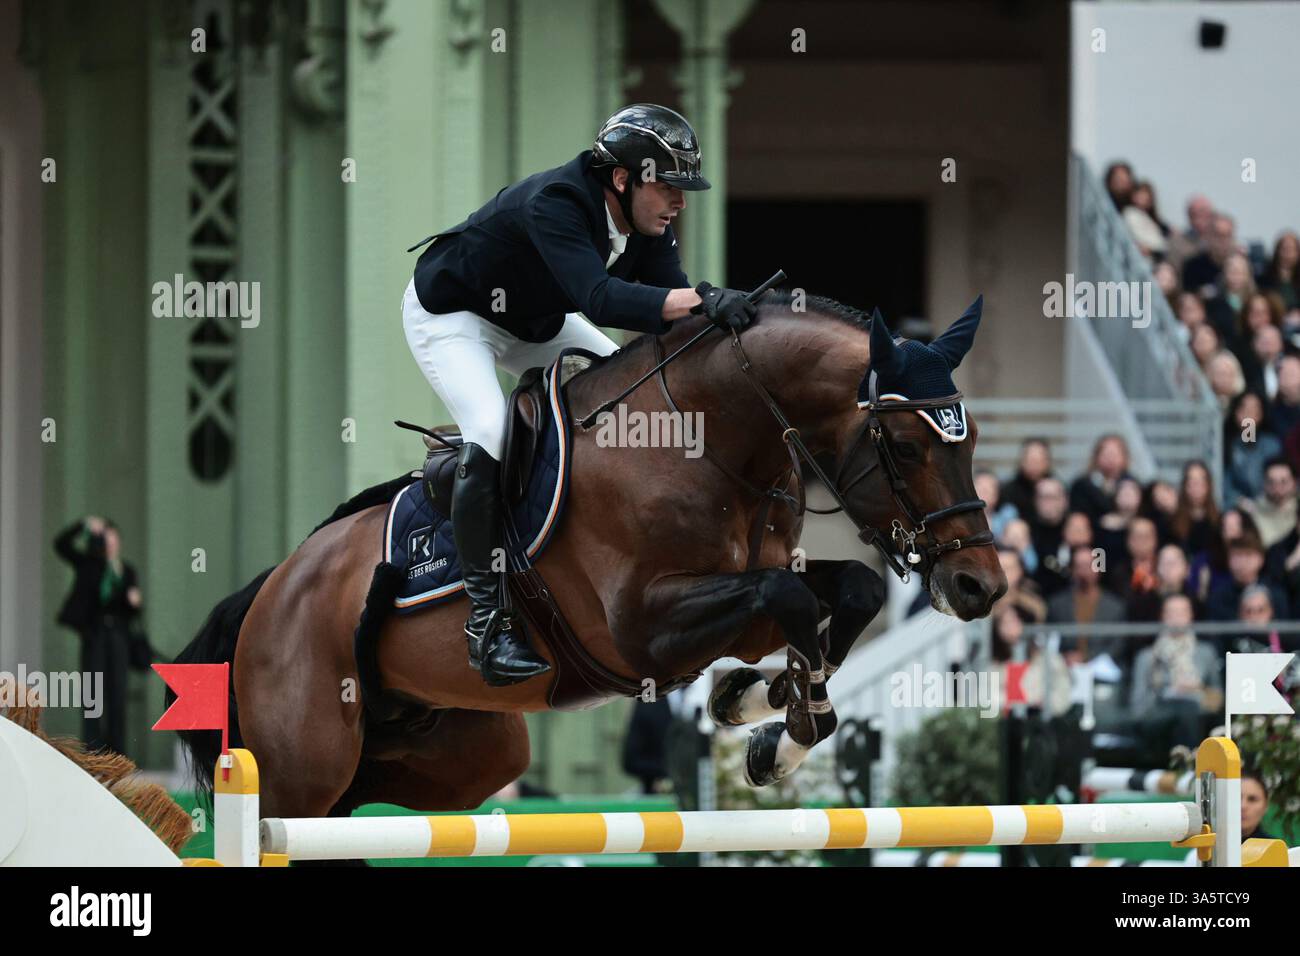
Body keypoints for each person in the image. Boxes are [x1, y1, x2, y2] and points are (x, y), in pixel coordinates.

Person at [401, 104, 754, 686]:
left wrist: (728, 312)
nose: (679, 203)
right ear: (622, 178)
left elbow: (671, 306)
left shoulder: (649, 223)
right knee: (490, 428)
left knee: (622, 386)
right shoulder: (557, 202)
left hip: (536, 320)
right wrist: (703, 297)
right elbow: (600, 299)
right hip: (454, 315)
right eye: (667, 186)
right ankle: (487, 625)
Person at [53, 516, 142, 754]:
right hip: (95, 635)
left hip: (118, 637)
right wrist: (82, 526)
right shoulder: (89, 564)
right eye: (105, 540)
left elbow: (133, 612)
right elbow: (61, 544)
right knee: (93, 695)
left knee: (117, 695)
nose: (110, 545)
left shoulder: (126, 571)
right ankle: (93, 753)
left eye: (113, 540)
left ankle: (117, 755)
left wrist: (133, 602)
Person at [1128, 593, 1223, 750]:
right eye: (1171, 613)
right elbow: (1138, 707)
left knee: (1188, 710)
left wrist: (1197, 690)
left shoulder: (1206, 653)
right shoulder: (1147, 657)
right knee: (1181, 709)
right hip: (1159, 723)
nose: (1176, 618)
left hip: (1198, 719)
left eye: (1182, 612)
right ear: (1163, 616)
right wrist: (1167, 694)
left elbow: (1218, 701)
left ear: (1191, 615)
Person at [1069, 434, 1133, 527]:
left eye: (1114, 454)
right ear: (1096, 456)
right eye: (1106, 454)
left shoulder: (1131, 485)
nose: (1110, 459)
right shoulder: (1082, 485)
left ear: (1124, 457)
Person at [1239, 457, 1297, 549]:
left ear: (1294, 484)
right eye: (1271, 482)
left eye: (1283, 482)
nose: (1277, 489)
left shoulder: (1298, 510)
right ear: (1264, 484)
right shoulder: (1251, 512)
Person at [1000, 437, 1053, 521]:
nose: (1034, 465)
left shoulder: (1056, 491)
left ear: (1047, 462)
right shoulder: (1008, 492)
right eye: (1031, 460)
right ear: (1022, 461)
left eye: (1038, 460)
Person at [1240, 770, 1278, 843]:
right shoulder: (1212, 844)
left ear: (1265, 806)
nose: (1243, 806)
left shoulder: (1274, 849)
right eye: (1237, 797)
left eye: (1252, 799)